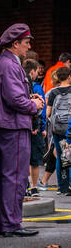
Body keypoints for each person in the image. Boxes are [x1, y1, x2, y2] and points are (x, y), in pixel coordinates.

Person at [0, 23, 43, 236]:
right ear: (15, 43)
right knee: (15, 177)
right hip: (13, 126)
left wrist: (27, 99)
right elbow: (15, 98)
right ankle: (11, 223)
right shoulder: (10, 65)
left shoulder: (2, 64)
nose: (28, 47)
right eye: (26, 43)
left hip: (4, 125)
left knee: (3, 175)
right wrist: (33, 105)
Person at [46, 65, 71, 196]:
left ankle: (62, 187)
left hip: (58, 130)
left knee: (61, 157)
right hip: (70, 130)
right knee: (70, 156)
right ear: (69, 77)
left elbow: (48, 113)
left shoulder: (53, 92)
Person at [24, 59, 47, 194]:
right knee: (35, 159)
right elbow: (41, 110)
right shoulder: (36, 87)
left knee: (25, 157)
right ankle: (33, 186)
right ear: (33, 71)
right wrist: (42, 127)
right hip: (34, 127)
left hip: (24, 126)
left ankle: (25, 184)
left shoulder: (20, 83)